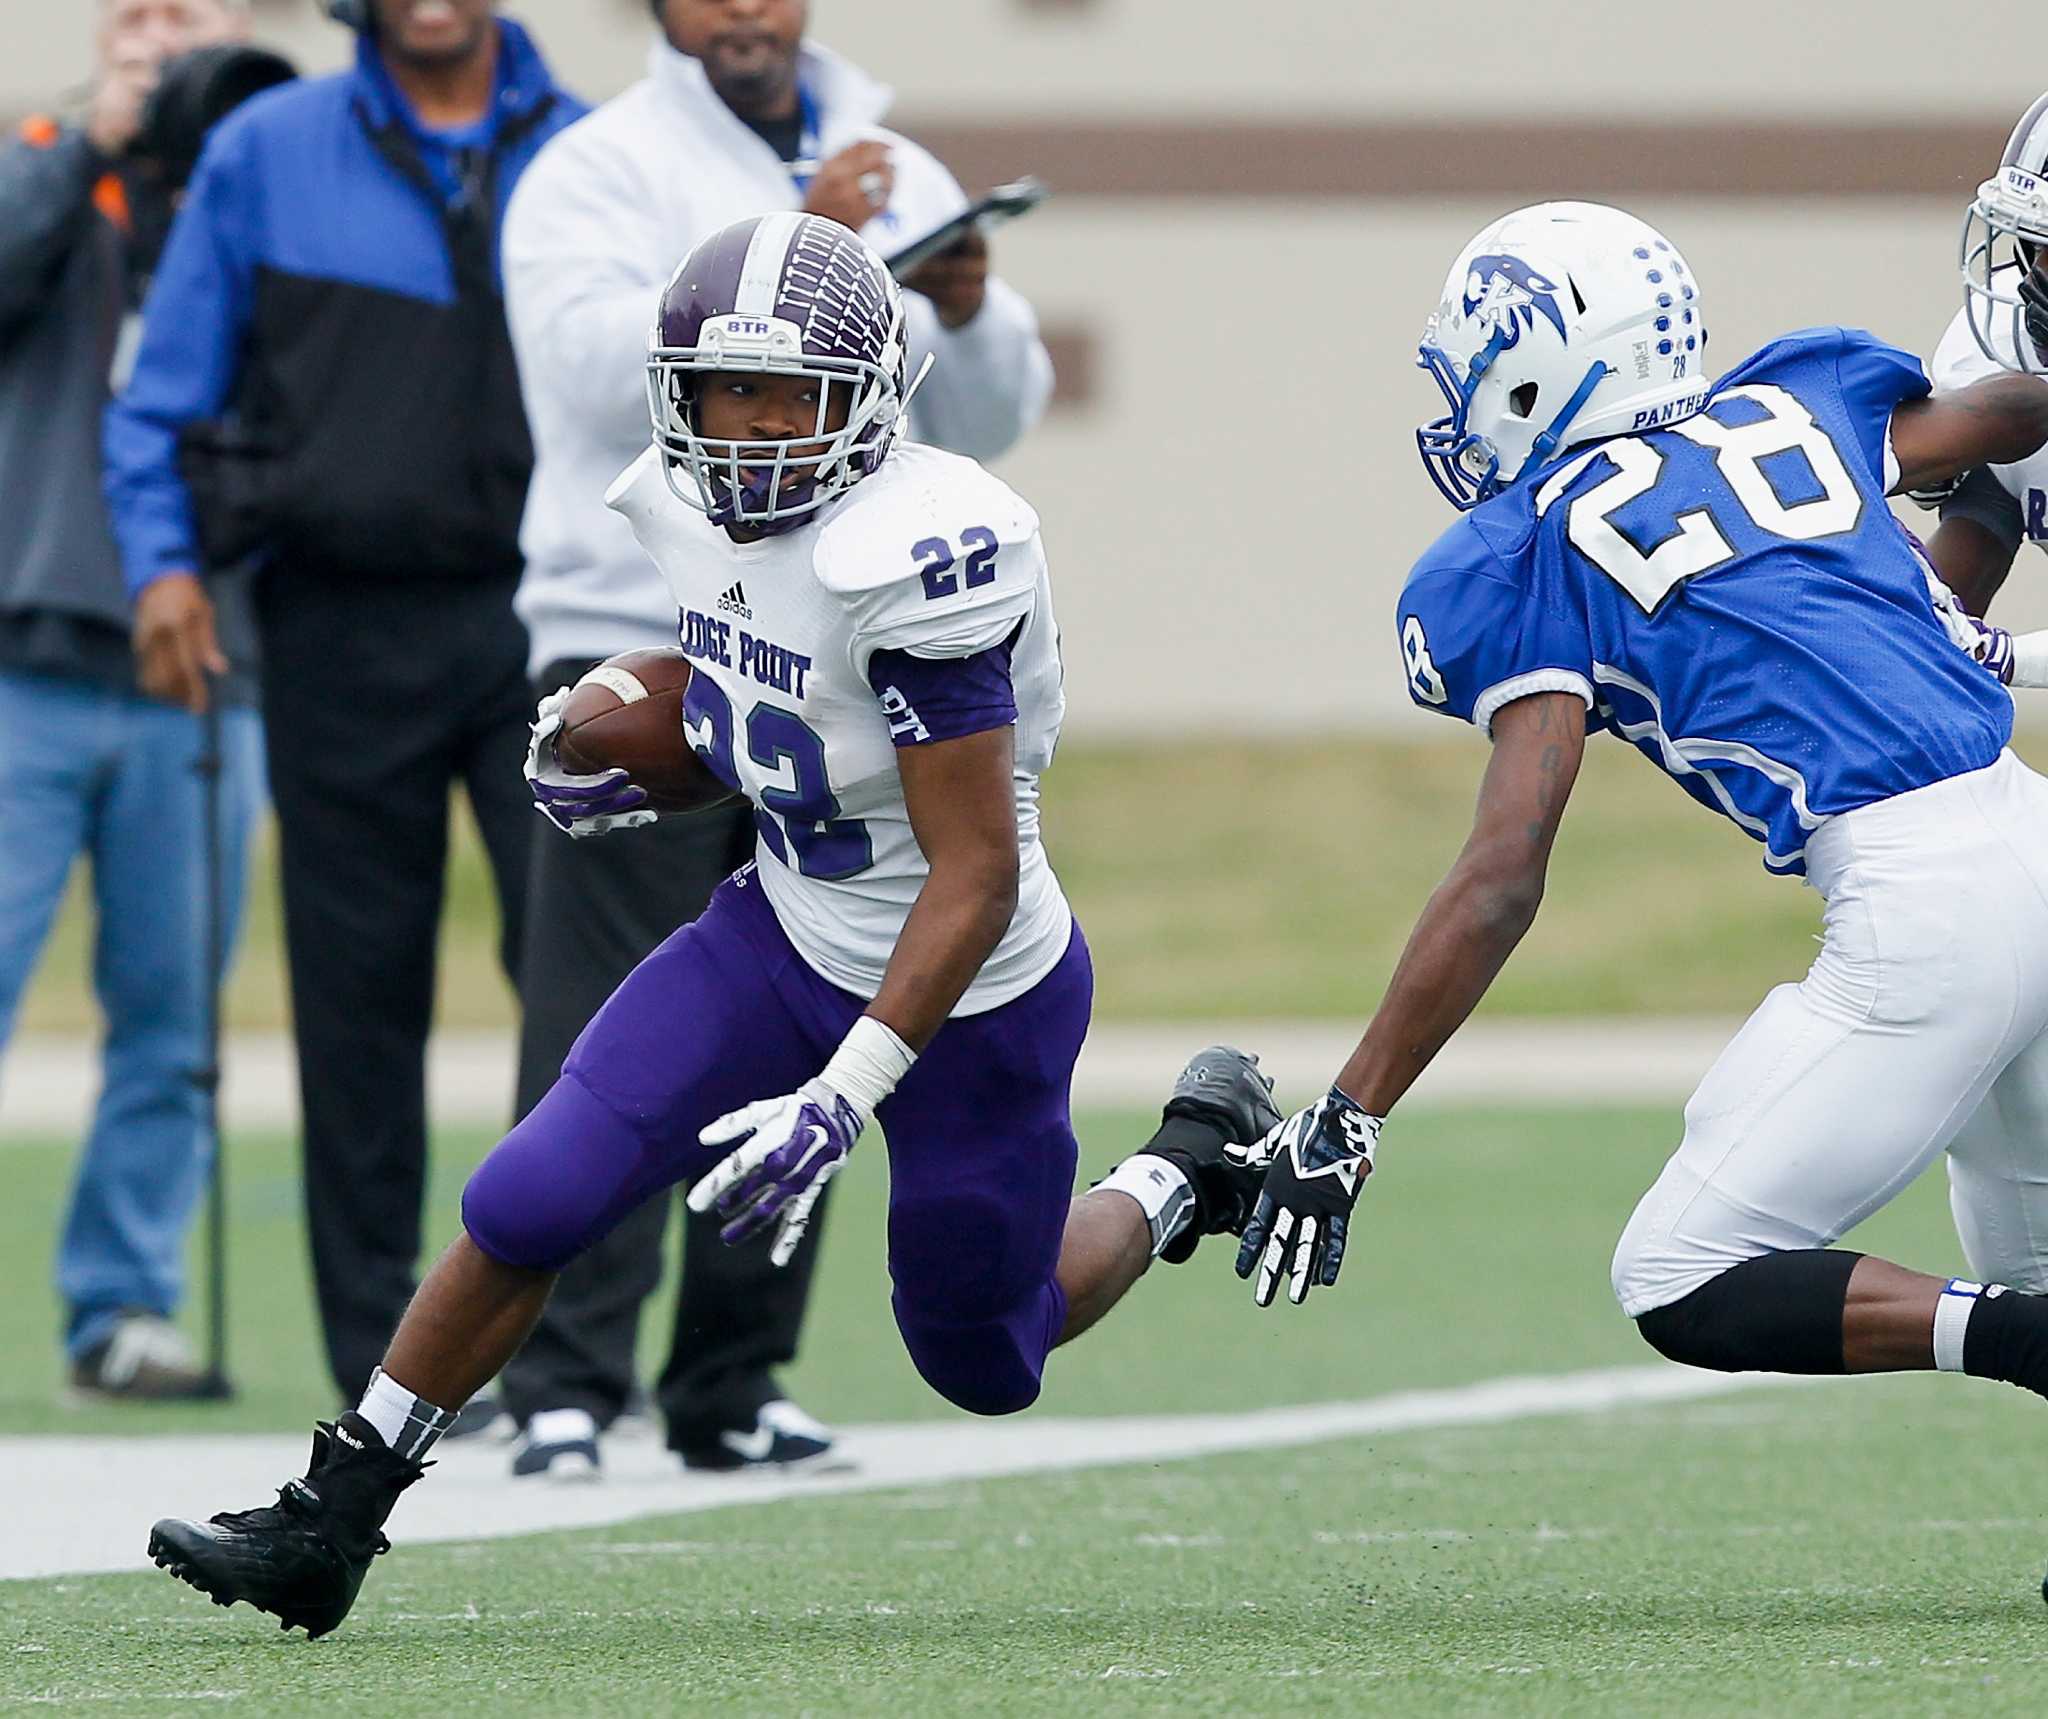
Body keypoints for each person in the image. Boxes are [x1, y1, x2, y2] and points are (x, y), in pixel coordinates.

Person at [145, 213, 1274, 1640]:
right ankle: (330, 1520)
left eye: (793, 394)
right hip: (777, 936)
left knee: (986, 1358)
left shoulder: (923, 552)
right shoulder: (687, 508)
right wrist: (634, 746)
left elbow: (974, 870)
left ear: (873, 395)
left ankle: (1182, 1165)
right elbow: (761, 678)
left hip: (968, 989)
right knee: (532, 1195)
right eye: (729, 390)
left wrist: (843, 1095)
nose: (756, 428)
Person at [1228, 205, 2048, 1585]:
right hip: (2025, 820)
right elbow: (2001, 417)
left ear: (1535, 372)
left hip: (1925, 907)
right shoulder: (1797, 398)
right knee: (2027, 1256)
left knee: (1680, 1270)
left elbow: (1503, 872)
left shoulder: (1525, 551)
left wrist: (1351, 1111)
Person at [495, 0, 1055, 1477]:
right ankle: (568, 1375)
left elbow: (984, 417)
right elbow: (580, 380)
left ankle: (731, 1376)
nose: (746, 5)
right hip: (647, 630)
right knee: (616, 1012)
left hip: (849, 655)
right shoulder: (597, 162)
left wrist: (967, 309)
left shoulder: (892, 155)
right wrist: (795, 265)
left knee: (821, 981)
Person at [102, 0, 584, 1410]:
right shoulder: (264, 148)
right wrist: (163, 567)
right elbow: (159, 396)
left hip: (549, 624)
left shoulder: (587, 149)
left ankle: (567, 1361)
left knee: (577, 987)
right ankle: (389, 1369)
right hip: (334, 620)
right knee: (356, 1002)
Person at [0, 0, 267, 1400]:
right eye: (141, 10)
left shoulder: (269, 164)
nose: (164, 34)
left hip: (206, 671)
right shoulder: (44, 153)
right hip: (24, 657)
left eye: (191, 11)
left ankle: (122, 1306)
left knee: (173, 1014)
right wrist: (91, 143)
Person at [1924, 90, 2048, 622]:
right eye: (2032, 244)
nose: (2034, 279)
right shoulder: (1997, 352)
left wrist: (2014, 658)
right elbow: (1938, 619)